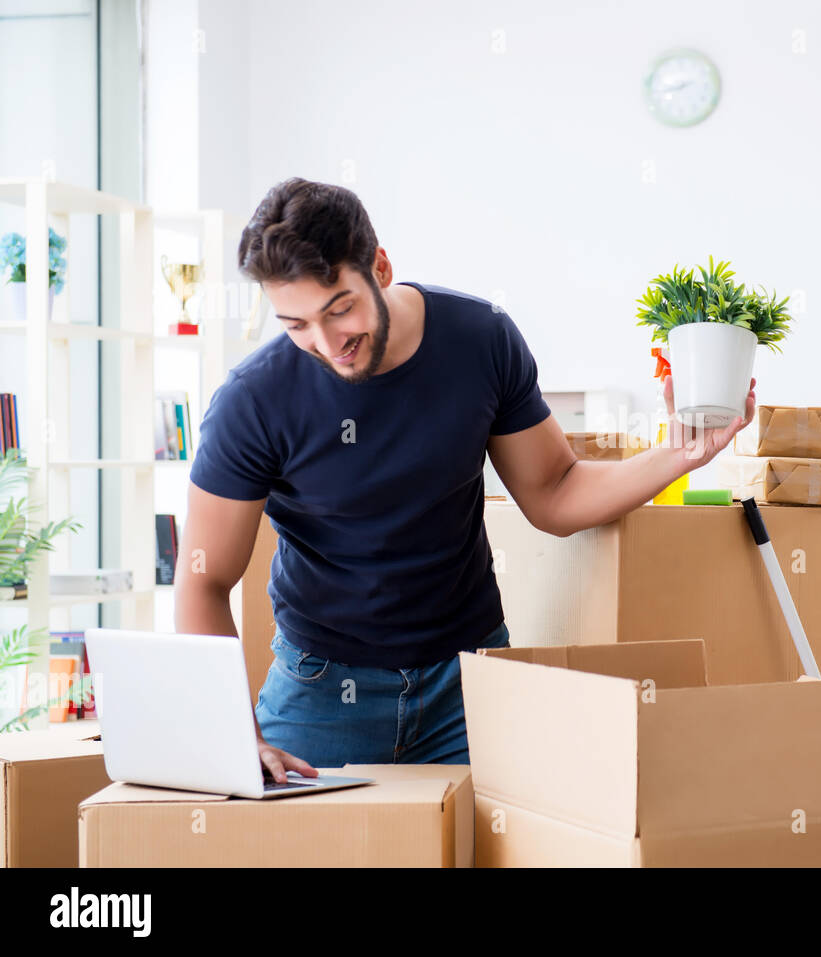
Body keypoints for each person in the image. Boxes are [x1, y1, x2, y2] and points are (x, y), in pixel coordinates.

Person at [175, 177, 755, 782]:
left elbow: (554, 492)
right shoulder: (255, 400)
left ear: (380, 266)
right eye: (295, 324)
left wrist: (681, 454)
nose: (326, 344)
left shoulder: (480, 340)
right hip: (323, 690)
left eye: (339, 308)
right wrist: (234, 736)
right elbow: (203, 579)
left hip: (470, 682)